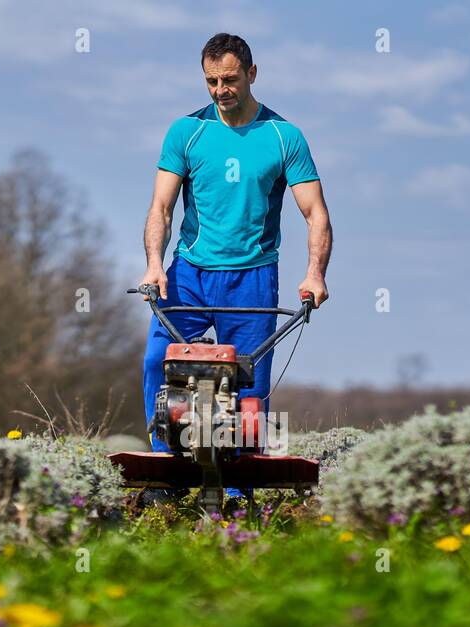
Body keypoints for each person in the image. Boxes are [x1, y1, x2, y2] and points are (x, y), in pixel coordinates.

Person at [137, 32, 332, 505]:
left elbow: (316, 214)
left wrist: (315, 274)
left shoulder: (284, 136)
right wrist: (154, 265)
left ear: (251, 74)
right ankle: (165, 471)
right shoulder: (187, 131)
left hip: (253, 276)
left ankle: (239, 489)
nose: (220, 89)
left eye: (229, 79)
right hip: (189, 273)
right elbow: (161, 208)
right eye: (211, 81)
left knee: (249, 387)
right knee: (156, 363)